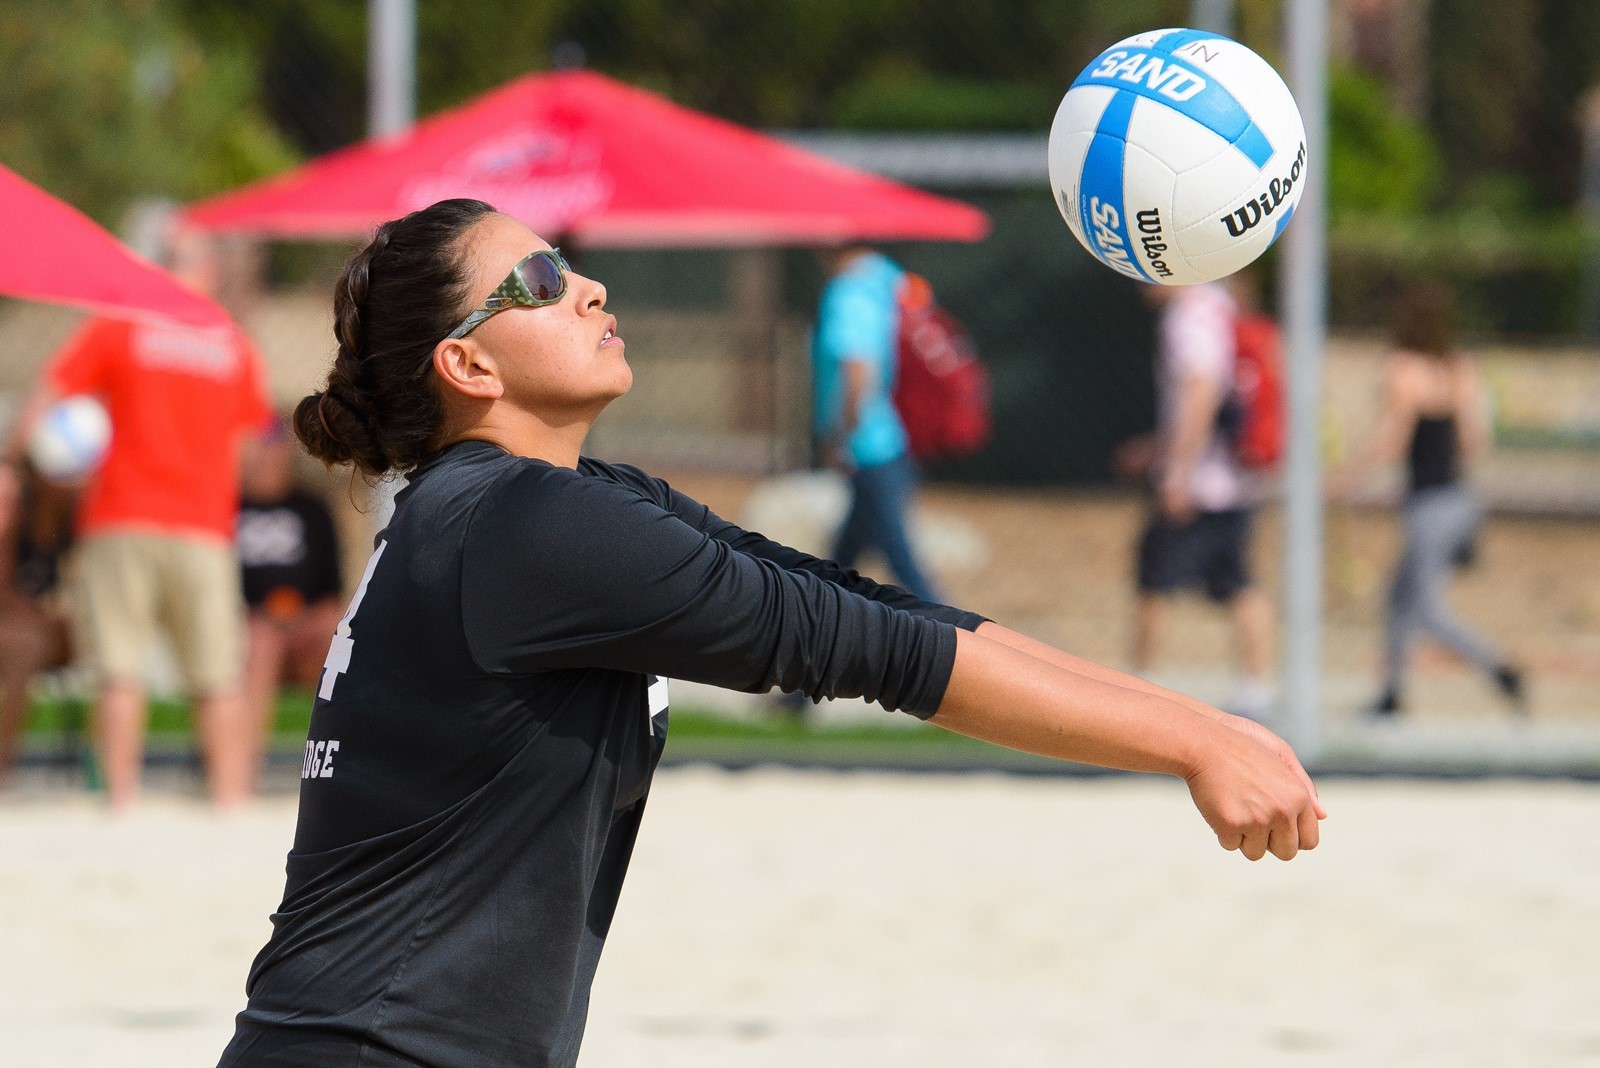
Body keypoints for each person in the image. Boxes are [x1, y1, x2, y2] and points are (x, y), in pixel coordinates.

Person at [217, 200, 1324, 1068]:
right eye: (543, 281)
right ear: (468, 364)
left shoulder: (543, 504)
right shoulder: (526, 527)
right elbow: (884, 658)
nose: (589, 285)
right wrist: (1188, 743)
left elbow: (866, 607)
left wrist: (1195, 723)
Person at [5, 225, 274, 810]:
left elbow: (45, 400)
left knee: (118, 671)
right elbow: (250, 448)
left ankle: (121, 801)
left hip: (121, 517)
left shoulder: (119, 324)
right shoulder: (230, 340)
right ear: (206, 275)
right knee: (217, 675)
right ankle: (230, 801)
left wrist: (32, 454)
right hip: (203, 525)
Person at [1329, 279, 1524, 716]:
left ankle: (1499, 667)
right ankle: (1392, 693)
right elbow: (1475, 439)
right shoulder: (1459, 368)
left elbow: (1391, 442)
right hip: (1459, 500)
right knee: (1397, 598)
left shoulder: (1403, 369)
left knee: (1425, 609)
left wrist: (1347, 478)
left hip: (1428, 507)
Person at [1128, 279, 1275, 721]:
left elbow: (1201, 388)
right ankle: (1256, 687)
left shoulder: (1188, 315)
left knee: (1154, 579)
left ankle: (1137, 689)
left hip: (1204, 482)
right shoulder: (1221, 305)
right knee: (1235, 582)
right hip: (1230, 478)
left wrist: (1178, 472)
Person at [813, 245, 939, 602]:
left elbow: (858, 372)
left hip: (869, 445)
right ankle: (820, 618)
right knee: (842, 558)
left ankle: (962, 637)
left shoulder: (849, 291)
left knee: (900, 558)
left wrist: (840, 436)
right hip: (891, 439)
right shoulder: (888, 279)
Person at [237, 416, 344, 791]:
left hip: (304, 630)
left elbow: (331, 590)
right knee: (259, 641)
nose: (264, 457)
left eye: (272, 446)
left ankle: (348, 767)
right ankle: (239, 775)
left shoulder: (311, 509)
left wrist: (303, 621)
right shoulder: (228, 508)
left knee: (340, 632)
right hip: (250, 634)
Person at [0, 461, 75, 781]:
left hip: (50, 634)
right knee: (23, 642)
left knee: (25, 642)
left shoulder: (56, 524)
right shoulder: (11, 535)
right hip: (23, 631)